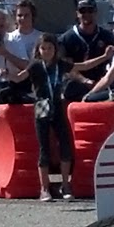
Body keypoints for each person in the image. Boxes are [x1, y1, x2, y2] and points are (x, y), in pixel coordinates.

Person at [29, 33, 74, 201]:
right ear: (38, 50)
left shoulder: (60, 65)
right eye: (43, 48)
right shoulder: (35, 66)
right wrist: (6, 71)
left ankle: (65, 184)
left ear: (55, 49)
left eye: (50, 48)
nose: (47, 51)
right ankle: (44, 188)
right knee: (44, 147)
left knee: (64, 143)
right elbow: (20, 76)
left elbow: (81, 66)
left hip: (56, 104)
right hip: (41, 105)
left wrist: (104, 57)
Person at [58, 0, 114, 101]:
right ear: (77, 14)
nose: (87, 14)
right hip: (76, 83)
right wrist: (85, 81)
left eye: (90, 10)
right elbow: (66, 68)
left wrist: (104, 80)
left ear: (96, 12)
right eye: (83, 11)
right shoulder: (67, 38)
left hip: (101, 81)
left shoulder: (107, 36)